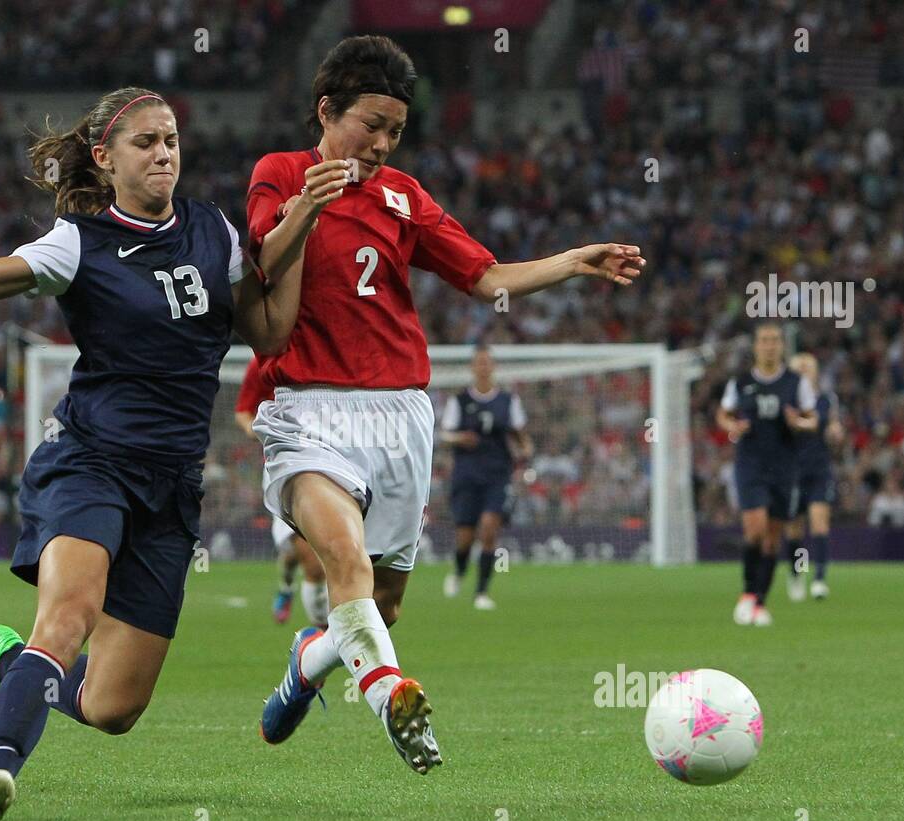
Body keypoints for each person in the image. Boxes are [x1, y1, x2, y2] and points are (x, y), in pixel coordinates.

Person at [0, 86, 324, 821]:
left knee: (114, 707)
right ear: (103, 158)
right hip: (90, 462)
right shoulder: (76, 241)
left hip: (172, 483)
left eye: (172, 140)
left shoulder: (213, 231)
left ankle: (3, 661)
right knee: (67, 615)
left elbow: (271, 333)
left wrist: (305, 217)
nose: (163, 153)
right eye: (145, 141)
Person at [245, 35, 645, 772]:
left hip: (401, 416)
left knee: (382, 606)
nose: (383, 143)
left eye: (396, 130)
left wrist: (573, 262)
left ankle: (310, 661)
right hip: (309, 411)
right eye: (371, 124)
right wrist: (307, 205)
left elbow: (486, 278)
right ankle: (391, 694)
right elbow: (261, 267)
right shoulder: (280, 174)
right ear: (327, 111)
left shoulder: (404, 196)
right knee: (343, 564)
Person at [715, 321, 817, 626]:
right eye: (764, 340)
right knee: (755, 529)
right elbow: (723, 414)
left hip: (784, 466)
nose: (769, 345)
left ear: (781, 346)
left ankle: (759, 602)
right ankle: (747, 594)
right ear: (756, 345)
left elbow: (813, 419)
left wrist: (800, 423)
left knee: (773, 539)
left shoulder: (795, 383)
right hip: (750, 464)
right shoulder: (741, 382)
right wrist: (731, 426)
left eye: (774, 340)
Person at [234, 355, 329, 626]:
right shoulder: (262, 363)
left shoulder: (324, 355)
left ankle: (321, 643)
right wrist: (262, 433)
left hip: (329, 462)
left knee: (314, 554)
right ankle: (317, 641)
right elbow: (243, 412)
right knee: (306, 560)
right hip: (284, 467)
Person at [439, 346, 532, 610]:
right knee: (465, 537)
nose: (483, 367)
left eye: (487, 362)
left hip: (497, 474)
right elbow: (445, 434)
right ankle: (458, 570)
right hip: (467, 475)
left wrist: (526, 447)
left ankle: (481, 592)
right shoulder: (459, 402)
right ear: (472, 367)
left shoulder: (507, 401)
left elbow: (519, 433)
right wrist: (461, 438)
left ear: (493, 367)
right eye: (478, 363)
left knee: (489, 529)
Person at [783, 353, 843, 600]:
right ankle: (797, 573)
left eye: (809, 367)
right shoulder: (787, 399)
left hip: (819, 469)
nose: (805, 371)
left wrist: (834, 431)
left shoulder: (826, 400)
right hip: (793, 470)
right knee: (795, 528)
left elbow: (833, 426)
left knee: (820, 522)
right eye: (800, 368)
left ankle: (819, 578)